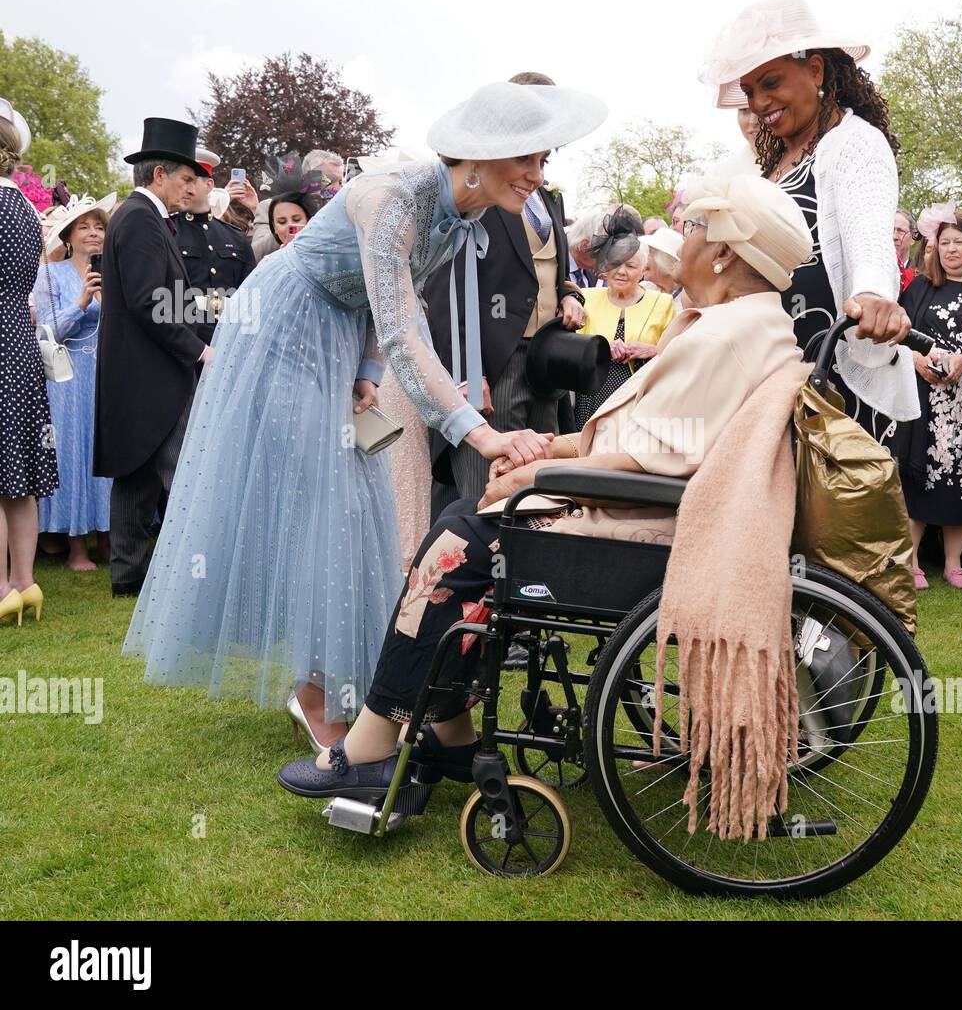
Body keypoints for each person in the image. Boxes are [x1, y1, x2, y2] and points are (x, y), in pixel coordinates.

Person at [277, 169, 812, 795]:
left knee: (456, 542)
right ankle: (447, 730)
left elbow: (649, 463)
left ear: (722, 253)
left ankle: (372, 744)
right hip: (653, 507)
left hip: (645, 521)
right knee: (461, 529)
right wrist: (545, 447)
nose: (674, 243)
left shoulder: (722, 336)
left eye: (692, 229)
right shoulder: (744, 321)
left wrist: (537, 472)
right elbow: (647, 444)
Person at [123, 83, 606, 753]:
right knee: (317, 503)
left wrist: (367, 374)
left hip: (343, 337)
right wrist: (482, 432)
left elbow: (388, 311)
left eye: (542, 159)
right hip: (284, 330)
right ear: (474, 157)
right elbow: (407, 329)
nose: (537, 175)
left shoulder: (460, 212)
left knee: (357, 505)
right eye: (525, 158)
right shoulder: (392, 196)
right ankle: (316, 695)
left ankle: (350, 687)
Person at [700, 0, 919, 442]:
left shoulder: (854, 142)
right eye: (749, 92)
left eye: (771, 83)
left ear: (815, 71)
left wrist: (873, 294)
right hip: (768, 373)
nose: (759, 102)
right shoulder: (770, 165)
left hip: (831, 379)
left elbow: (867, 229)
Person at [424, 73, 587, 513]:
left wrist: (573, 296)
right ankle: (483, 576)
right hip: (493, 364)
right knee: (488, 494)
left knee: (544, 483)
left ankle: (531, 576)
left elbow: (550, 272)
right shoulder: (480, 191)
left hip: (547, 362)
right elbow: (444, 285)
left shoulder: (548, 197)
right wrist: (463, 367)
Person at [95, 117, 211, 598]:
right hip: (151, 377)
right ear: (158, 174)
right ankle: (194, 577)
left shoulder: (138, 216)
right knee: (184, 475)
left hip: (140, 374)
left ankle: (129, 577)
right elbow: (148, 301)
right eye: (186, 178)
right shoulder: (141, 217)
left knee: (138, 475)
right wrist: (199, 350)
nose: (192, 188)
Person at [890, 206, 962, 589]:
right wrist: (917, 360)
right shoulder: (920, 288)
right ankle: (911, 562)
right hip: (924, 400)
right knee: (916, 474)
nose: (951, 249)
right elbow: (897, 335)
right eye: (944, 243)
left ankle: (954, 563)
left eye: (960, 242)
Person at [33, 192, 117, 570]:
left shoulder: (119, 272)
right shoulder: (50, 274)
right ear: (69, 234)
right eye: (85, 227)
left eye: (99, 226)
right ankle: (76, 547)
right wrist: (82, 300)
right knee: (72, 455)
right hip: (67, 380)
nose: (94, 233)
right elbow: (47, 331)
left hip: (110, 375)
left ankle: (111, 538)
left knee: (109, 452)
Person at [0, 99, 58, 626]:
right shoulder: (23, 207)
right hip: (17, 340)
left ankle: (0, 589)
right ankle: (26, 581)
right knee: (17, 474)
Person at [573, 211, 676, 427]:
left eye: (631, 266)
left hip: (638, 398)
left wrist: (654, 351)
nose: (621, 272)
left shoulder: (662, 303)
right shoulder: (586, 297)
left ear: (643, 271)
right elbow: (571, 348)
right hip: (591, 397)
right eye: (615, 264)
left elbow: (677, 354)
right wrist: (600, 348)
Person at [175, 148, 256, 350]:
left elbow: (250, 298)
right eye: (182, 181)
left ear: (209, 184)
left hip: (231, 342)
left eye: (192, 180)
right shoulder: (168, 232)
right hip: (185, 343)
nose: (186, 188)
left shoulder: (235, 237)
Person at [641, 224, 685, 304]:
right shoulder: (643, 289)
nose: (645, 258)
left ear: (666, 262)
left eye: (650, 252)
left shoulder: (686, 300)